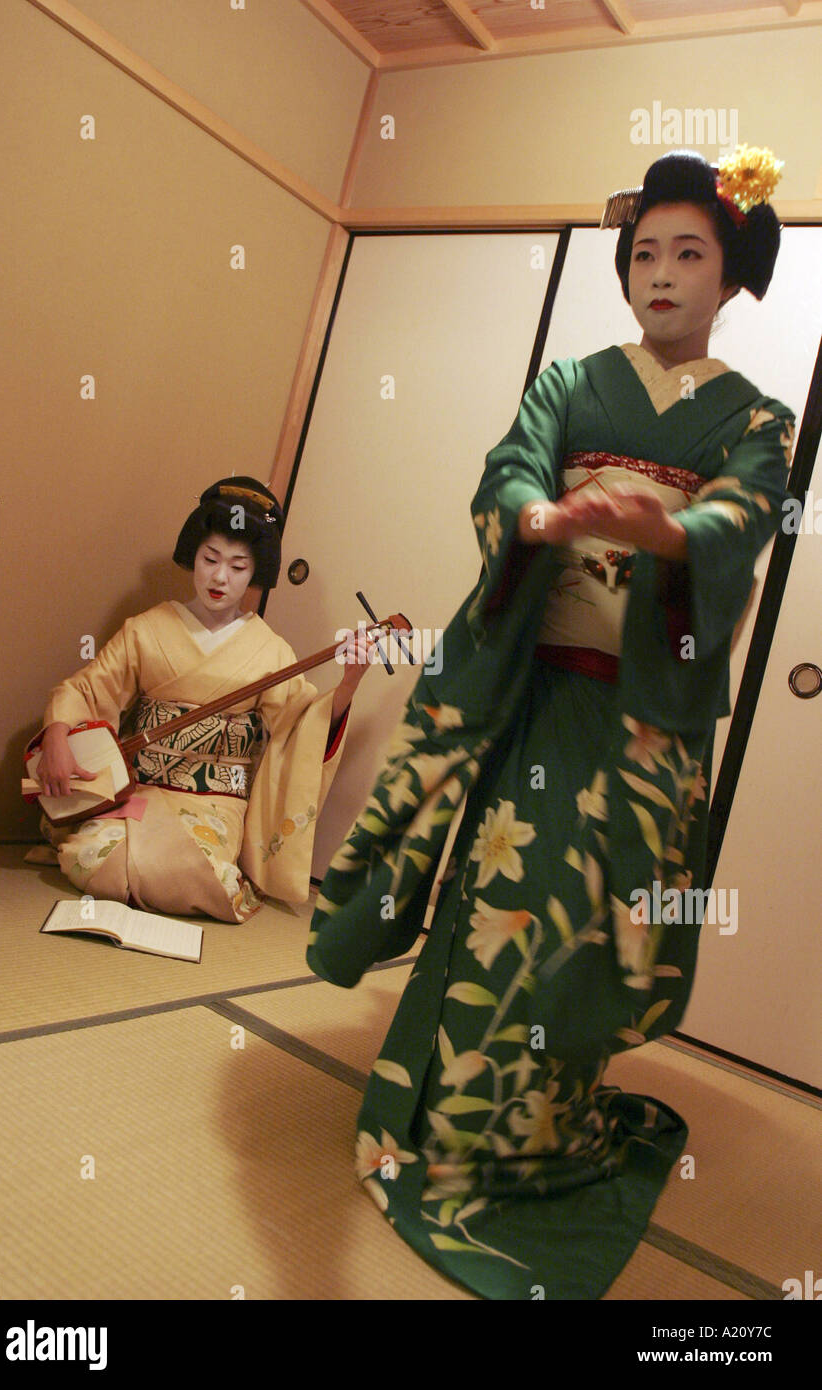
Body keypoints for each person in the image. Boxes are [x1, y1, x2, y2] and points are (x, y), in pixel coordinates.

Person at [306, 148, 796, 1298]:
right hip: (534, 703)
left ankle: (545, 1128)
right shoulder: (572, 382)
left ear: (728, 276)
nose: (659, 275)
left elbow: (745, 512)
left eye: (688, 253)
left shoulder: (755, 416)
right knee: (496, 900)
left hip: (638, 728)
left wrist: (665, 532)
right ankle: (435, 1119)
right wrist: (539, 513)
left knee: (590, 926)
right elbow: (507, 473)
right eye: (641, 254)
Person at [28, 477, 375, 923]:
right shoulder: (147, 629)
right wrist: (57, 733)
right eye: (210, 558)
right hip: (140, 789)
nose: (219, 576)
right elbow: (86, 689)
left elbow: (302, 726)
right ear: (194, 555)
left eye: (238, 566)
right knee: (95, 855)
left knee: (199, 872)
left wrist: (350, 681)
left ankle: (177, 871)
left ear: (256, 575)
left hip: (214, 803)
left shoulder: (271, 651)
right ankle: (140, 865)